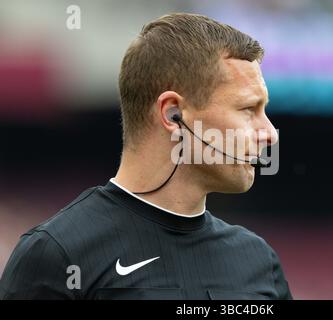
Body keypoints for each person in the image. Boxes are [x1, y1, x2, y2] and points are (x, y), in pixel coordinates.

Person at [0, 13, 292, 300]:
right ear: (172, 113)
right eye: (248, 109)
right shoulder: (59, 254)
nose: (270, 134)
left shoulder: (259, 262)